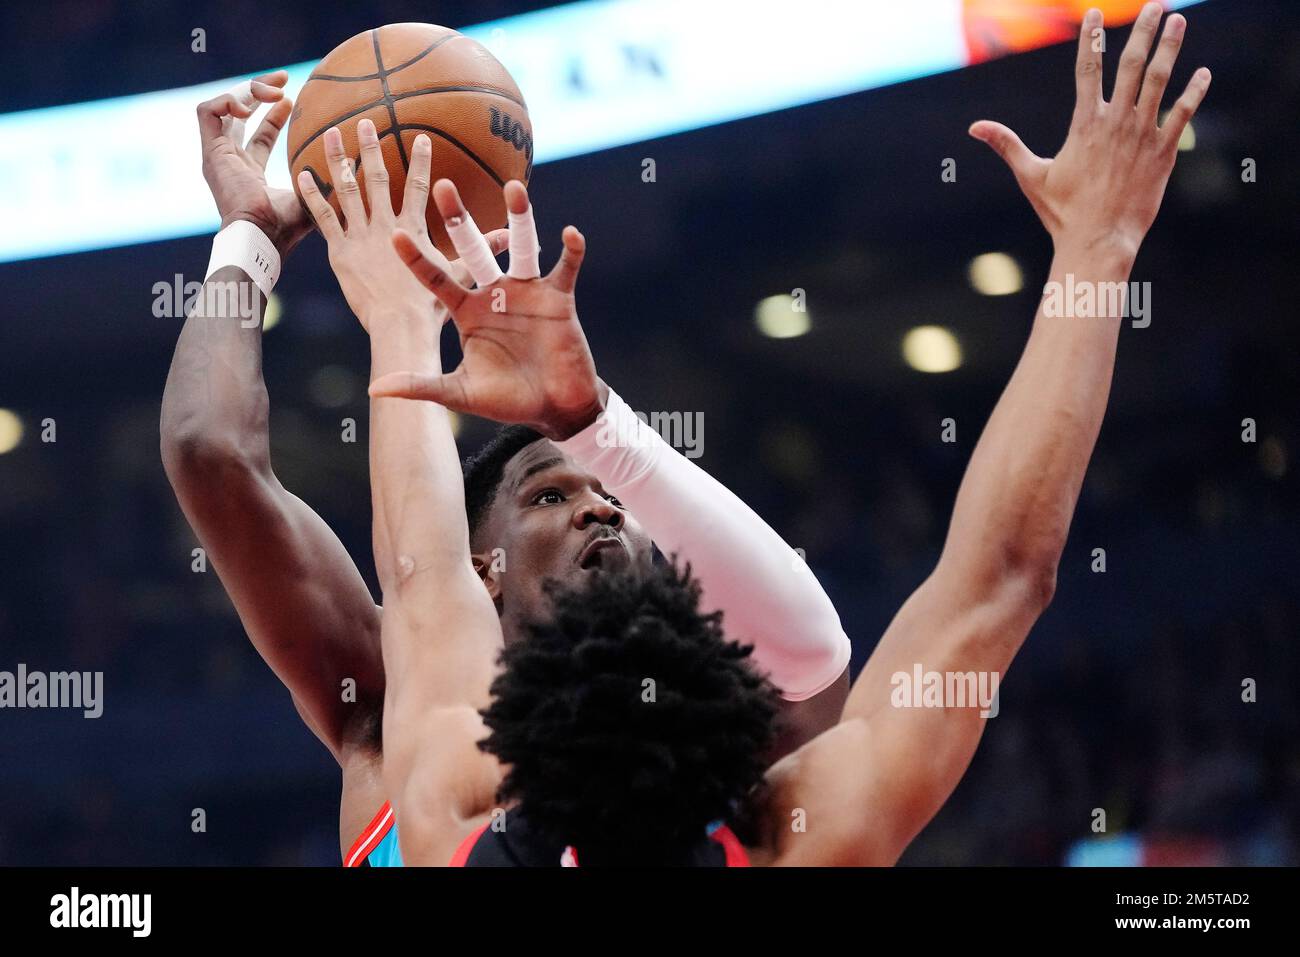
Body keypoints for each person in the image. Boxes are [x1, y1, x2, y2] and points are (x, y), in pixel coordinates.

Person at [312, 4, 1208, 864]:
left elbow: (424, 575)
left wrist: (398, 318)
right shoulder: (799, 840)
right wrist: (1098, 247)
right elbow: (1005, 571)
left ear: (504, 741)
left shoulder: (452, 819)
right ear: (750, 759)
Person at [161, 77, 850, 866]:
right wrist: (246, 243)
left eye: (614, 497)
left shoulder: (705, 739)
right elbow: (210, 456)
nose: (605, 512)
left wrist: (595, 424)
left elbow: (816, 661)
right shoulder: (383, 710)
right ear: (480, 569)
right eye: (551, 494)